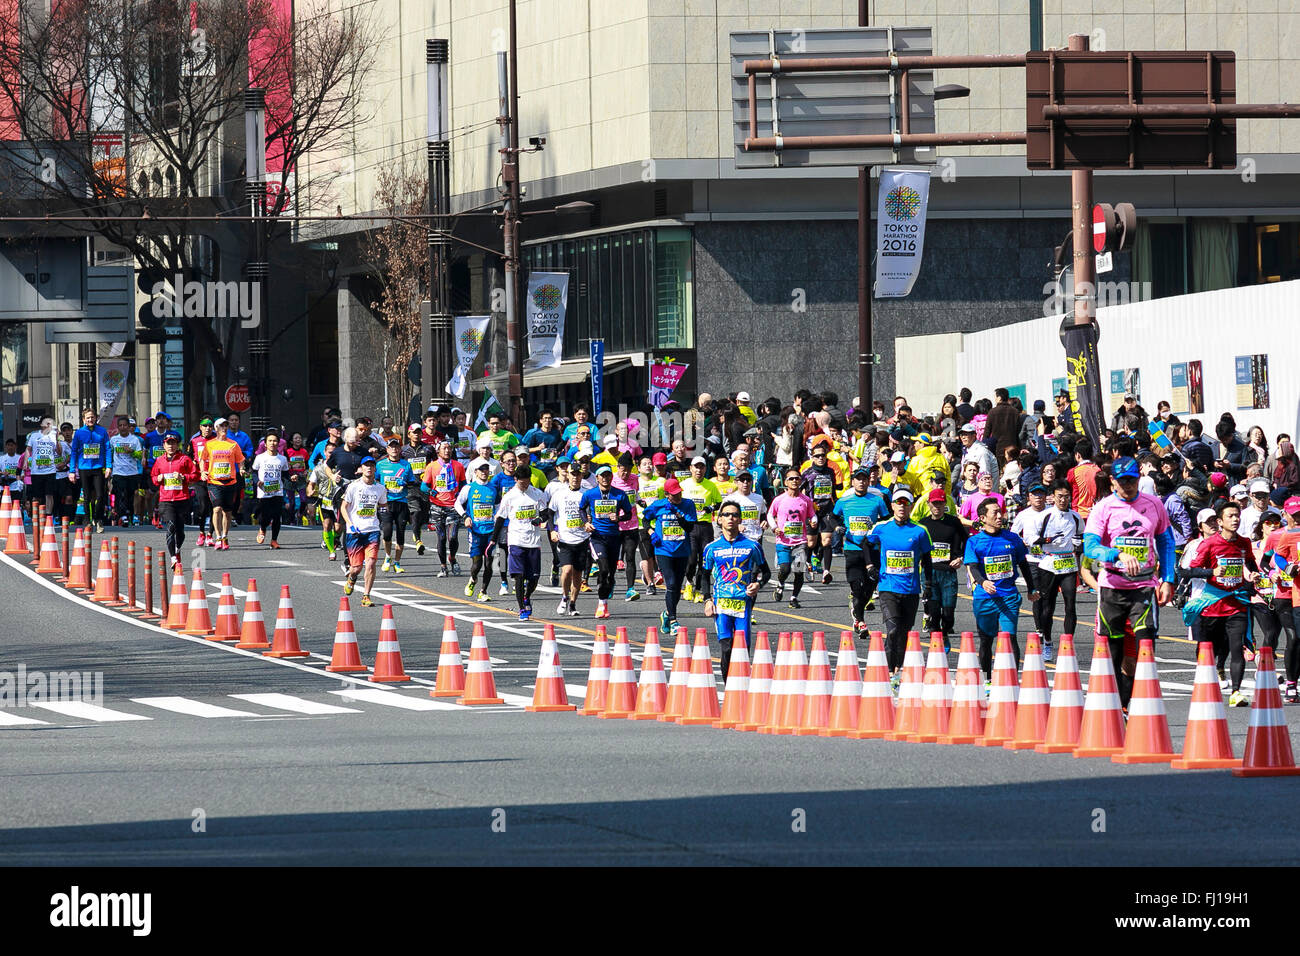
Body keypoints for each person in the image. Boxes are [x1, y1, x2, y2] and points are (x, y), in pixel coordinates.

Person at [1082, 455, 1177, 709]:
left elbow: (1167, 543)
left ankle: (1134, 703)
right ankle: (1112, 707)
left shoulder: (1154, 504)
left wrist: (1168, 579)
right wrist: (1116, 554)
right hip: (1112, 585)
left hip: (1144, 587)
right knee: (1113, 652)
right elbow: (1090, 547)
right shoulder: (1103, 508)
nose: (1128, 485)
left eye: (1132, 480)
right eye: (1122, 481)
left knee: (1144, 646)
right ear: (1113, 481)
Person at [1187, 499, 1258, 707]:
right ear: (1220, 521)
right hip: (1213, 606)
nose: (1235, 519)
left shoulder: (1243, 542)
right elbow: (1191, 570)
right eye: (1230, 516)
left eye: (1237, 516)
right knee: (1209, 649)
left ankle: (1235, 691)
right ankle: (1206, 684)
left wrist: (1253, 574)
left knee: (1237, 648)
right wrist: (1212, 572)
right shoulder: (1209, 544)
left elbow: (1250, 562)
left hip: (1236, 604)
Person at [965, 498, 1040, 684]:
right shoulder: (974, 541)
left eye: (1000, 512)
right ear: (983, 518)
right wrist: (982, 582)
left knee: (1009, 637)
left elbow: (1023, 564)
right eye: (995, 513)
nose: (1000, 516)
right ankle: (988, 678)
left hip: (1009, 596)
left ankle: (1012, 680)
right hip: (985, 597)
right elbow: (973, 567)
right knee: (986, 639)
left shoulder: (1012, 538)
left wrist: (1031, 588)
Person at [863, 489, 933, 685]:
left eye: (906, 503)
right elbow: (866, 544)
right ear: (892, 506)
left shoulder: (919, 531)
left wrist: (928, 584)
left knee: (903, 632)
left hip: (911, 590)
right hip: (888, 588)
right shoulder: (882, 527)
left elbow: (927, 560)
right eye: (898, 503)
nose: (902, 506)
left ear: (910, 506)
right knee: (892, 629)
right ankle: (888, 672)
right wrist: (870, 566)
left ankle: (897, 668)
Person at [701, 499, 771, 683]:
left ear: (740, 520)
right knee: (726, 648)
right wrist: (707, 600)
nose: (730, 518)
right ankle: (729, 687)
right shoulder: (711, 548)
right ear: (719, 520)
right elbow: (704, 576)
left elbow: (767, 572)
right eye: (726, 515)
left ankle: (742, 687)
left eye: (734, 515)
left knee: (741, 650)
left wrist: (758, 585)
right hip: (721, 603)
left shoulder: (752, 545)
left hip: (743, 603)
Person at [1025, 482, 1083, 664]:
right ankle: (1048, 642)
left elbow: (1082, 535)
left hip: (1068, 564)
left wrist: (1078, 543)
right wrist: (1048, 540)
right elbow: (1030, 538)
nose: (1063, 500)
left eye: (1066, 496)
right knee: (1047, 606)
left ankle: (1068, 644)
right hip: (1049, 563)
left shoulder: (1075, 517)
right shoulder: (1045, 516)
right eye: (1060, 496)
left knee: (1071, 605)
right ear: (1053, 497)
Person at [833, 465, 890, 633]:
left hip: (872, 550)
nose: (862, 482)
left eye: (864, 479)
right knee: (857, 587)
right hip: (852, 548)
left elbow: (886, 520)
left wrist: (878, 533)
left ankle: (858, 612)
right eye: (858, 479)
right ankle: (860, 620)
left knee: (869, 588)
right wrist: (837, 528)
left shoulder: (877, 500)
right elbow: (833, 517)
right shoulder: (844, 500)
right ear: (853, 481)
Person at [493, 463, 549, 621]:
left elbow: (546, 514)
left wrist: (540, 519)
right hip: (516, 539)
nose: (524, 485)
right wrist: (493, 540)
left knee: (534, 578)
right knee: (519, 575)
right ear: (515, 479)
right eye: (521, 482)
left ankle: (527, 596)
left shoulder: (538, 494)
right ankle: (522, 609)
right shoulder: (509, 496)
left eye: (527, 481)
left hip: (533, 541)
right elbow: (501, 518)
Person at [579, 464, 635, 619]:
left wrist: (619, 518)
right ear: (597, 478)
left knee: (610, 573)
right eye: (602, 476)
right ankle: (601, 603)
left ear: (612, 477)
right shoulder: (590, 494)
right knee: (603, 568)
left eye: (608, 475)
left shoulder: (620, 494)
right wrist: (586, 523)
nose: (605, 478)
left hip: (614, 537)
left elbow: (629, 514)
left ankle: (604, 598)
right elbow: (581, 508)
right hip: (597, 537)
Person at [642, 478, 697, 634]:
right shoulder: (659, 505)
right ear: (666, 494)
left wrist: (678, 515)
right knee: (671, 584)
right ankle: (673, 620)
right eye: (674, 495)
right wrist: (651, 532)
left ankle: (667, 614)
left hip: (682, 550)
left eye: (679, 493)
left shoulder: (688, 505)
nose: (677, 497)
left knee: (676, 587)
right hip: (663, 550)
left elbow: (689, 527)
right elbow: (645, 519)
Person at [918, 487, 967, 646]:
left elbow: (969, 542)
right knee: (933, 610)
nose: (937, 507)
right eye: (934, 504)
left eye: (940, 503)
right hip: (929, 573)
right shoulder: (923, 524)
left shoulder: (953, 522)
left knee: (948, 613)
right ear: (928, 504)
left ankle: (945, 632)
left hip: (948, 572)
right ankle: (935, 640)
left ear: (945, 503)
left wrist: (961, 558)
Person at [339, 456, 386, 608]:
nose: (369, 468)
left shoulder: (380, 488)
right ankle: (351, 579)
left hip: (372, 529)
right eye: (366, 465)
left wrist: (385, 519)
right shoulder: (353, 487)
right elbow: (343, 507)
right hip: (355, 532)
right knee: (356, 568)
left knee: (371, 563)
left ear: (375, 469)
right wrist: (350, 524)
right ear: (361, 468)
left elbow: (384, 506)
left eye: (372, 465)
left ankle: (366, 595)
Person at [767, 467, 817, 609]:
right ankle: (780, 584)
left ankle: (794, 597)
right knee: (785, 568)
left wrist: (814, 521)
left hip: (800, 541)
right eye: (791, 479)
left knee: (799, 570)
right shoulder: (779, 499)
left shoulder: (806, 500)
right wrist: (774, 527)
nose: (795, 481)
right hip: (783, 540)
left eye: (797, 478)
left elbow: (812, 514)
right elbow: (770, 514)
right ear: (786, 482)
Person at [546, 462, 590, 616]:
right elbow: (550, 513)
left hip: (582, 538)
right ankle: (564, 596)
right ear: (568, 475)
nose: (575, 477)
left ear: (581, 476)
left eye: (578, 474)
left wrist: (590, 523)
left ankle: (572, 603)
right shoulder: (559, 493)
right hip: (565, 538)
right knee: (567, 570)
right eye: (573, 474)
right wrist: (552, 531)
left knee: (578, 573)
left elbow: (592, 512)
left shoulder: (587, 493)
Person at [149, 432, 199, 569]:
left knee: (180, 531)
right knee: (170, 526)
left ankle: (177, 549)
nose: (171, 446)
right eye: (168, 443)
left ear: (177, 445)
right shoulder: (159, 461)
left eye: (173, 443)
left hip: (182, 498)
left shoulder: (184, 459)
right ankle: (173, 558)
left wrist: (183, 477)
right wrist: (157, 479)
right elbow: (153, 476)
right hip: (166, 500)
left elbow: (195, 475)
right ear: (164, 445)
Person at [455, 460, 502, 603]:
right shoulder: (469, 488)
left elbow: (499, 505)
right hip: (475, 530)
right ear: (475, 472)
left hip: (490, 530)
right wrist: (465, 516)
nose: (484, 472)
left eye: (486, 469)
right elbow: (457, 503)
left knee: (489, 562)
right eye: (481, 470)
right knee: (477, 563)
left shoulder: (493, 488)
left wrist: (497, 515)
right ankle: (473, 579)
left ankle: (483, 591)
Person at [198, 417, 245, 551]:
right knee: (216, 509)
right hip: (214, 481)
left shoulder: (233, 444)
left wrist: (241, 468)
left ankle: (225, 536)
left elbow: (240, 459)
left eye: (226, 426)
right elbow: (203, 459)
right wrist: (202, 471)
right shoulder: (210, 444)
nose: (224, 428)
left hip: (230, 482)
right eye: (221, 426)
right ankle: (218, 537)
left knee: (227, 512)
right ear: (216, 428)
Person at [421, 441, 467, 577]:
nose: (447, 450)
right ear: (438, 451)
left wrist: (461, 494)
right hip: (437, 506)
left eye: (449, 448)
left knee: (452, 537)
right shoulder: (432, 466)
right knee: (441, 538)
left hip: (453, 506)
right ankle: (443, 566)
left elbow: (464, 485)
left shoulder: (458, 466)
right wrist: (430, 491)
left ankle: (452, 558)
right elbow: (424, 486)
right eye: (444, 448)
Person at [681, 455, 721, 603]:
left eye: (702, 467)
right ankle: (689, 582)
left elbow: (718, 502)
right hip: (690, 526)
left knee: (704, 560)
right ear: (691, 468)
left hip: (705, 526)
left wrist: (711, 508)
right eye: (696, 467)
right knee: (691, 560)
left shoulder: (710, 485)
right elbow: (677, 501)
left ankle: (699, 589)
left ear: (705, 469)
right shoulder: (684, 484)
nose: (699, 470)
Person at [800, 439, 841, 583]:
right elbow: (799, 492)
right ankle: (807, 562)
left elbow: (834, 492)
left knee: (827, 541)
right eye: (817, 456)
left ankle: (826, 571)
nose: (821, 458)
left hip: (827, 510)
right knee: (811, 543)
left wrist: (836, 507)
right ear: (812, 457)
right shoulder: (807, 473)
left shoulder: (830, 472)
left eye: (823, 455)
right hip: (812, 512)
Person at [375, 439, 414, 572]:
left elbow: (412, 482)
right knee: (386, 532)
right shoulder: (380, 465)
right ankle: (387, 557)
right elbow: (374, 481)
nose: (394, 450)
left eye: (396, 447)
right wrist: (382, 488)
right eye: (391, 447)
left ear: (400, 450)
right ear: (387, 450)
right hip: (386, 502)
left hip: (401, 502)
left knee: (401, 533)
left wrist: (404, 484)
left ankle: (397, 562)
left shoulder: (406, 465)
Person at [68, 408, 109, 531]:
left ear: (96, 418)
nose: (90, 419)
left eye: (92, 417)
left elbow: (107, 449)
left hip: (98, 468)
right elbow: (74, 452)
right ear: (83, 420)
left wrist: (109, 467)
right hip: (84, 468)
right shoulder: (79, 433)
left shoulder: (102, 431)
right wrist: (71, 471)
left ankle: (98, 519)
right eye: (88, 417)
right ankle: (87, 520)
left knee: (100, 495)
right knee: (86, 497)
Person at [250, 430, 290, 548]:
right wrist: (258, 481)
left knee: (277, 515)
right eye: (270, 441)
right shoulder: (260, 458)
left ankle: (274, 540)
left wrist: (291, 477)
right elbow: (254, 472)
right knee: (265, 516)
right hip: (263, 492)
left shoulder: (282, 459)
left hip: (277, 490)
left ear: (279, 443)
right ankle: (262, 528)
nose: (273, 443)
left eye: (275, 441)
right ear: (265, 444)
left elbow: (285, 474)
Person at [24, 417, 64, 519]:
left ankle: (48, 516)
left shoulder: (53, 436)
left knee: (49, 494)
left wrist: (57, 438)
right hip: (36, 471)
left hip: (50, 470)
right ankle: (36, 516)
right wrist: (26, 462)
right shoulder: (34, 436)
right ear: (42, 424)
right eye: (47, 423)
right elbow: (28, 449)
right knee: (37, 496)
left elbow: (59, 453)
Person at [307, 441, 340, 560]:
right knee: (327, 525)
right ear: (325, 453)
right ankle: (332, 551)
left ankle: (334, 538)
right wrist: (310, 490)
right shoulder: (319, 468)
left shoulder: (341, 466)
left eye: (334, 453)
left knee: (338, 528)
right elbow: (311, 484)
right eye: (329, 452)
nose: (331, 455)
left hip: (339, 501)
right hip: (325, 500)